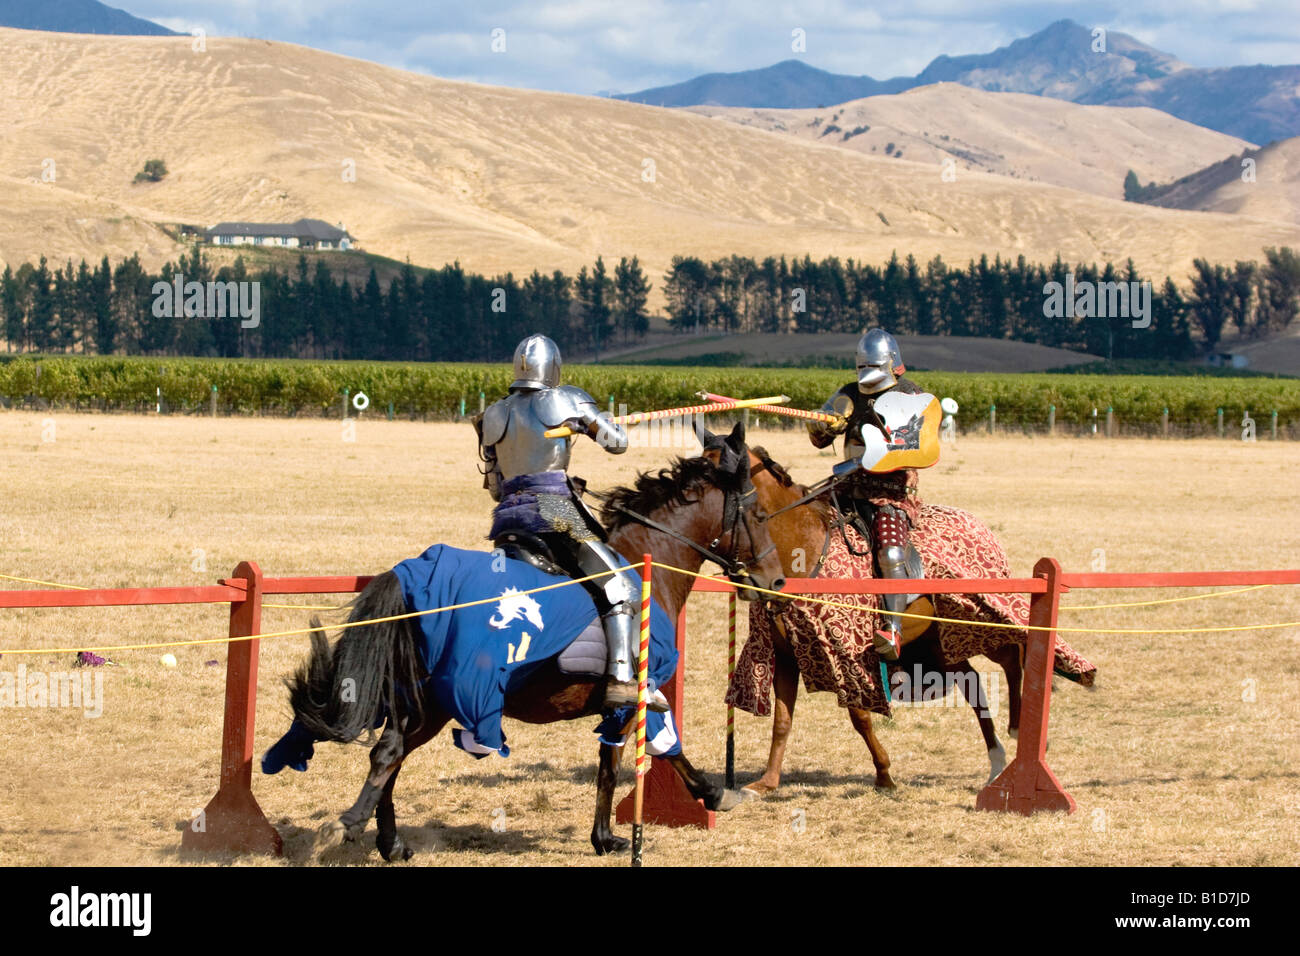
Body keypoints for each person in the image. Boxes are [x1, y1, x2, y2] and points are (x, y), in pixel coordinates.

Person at [474, 334, 656, 710]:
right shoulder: (565, 399)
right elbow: (617, 443)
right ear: (553, 367)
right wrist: (592, 423)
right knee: (621, 587)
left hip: (509, 515)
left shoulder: (494, 413)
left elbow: (494, 487)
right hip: (555, 512)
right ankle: (622, 679)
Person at [807, 328, 927, 662]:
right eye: (861, 367)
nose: (865, 374)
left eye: (871, 366)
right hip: (847, 483)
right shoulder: (850, 393)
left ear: (891, 363)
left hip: (890, 490)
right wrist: (823, 424)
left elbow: (912, 445)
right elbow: (820, 436)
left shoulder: (908, 394)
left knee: (890, 552)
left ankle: (892, 628)